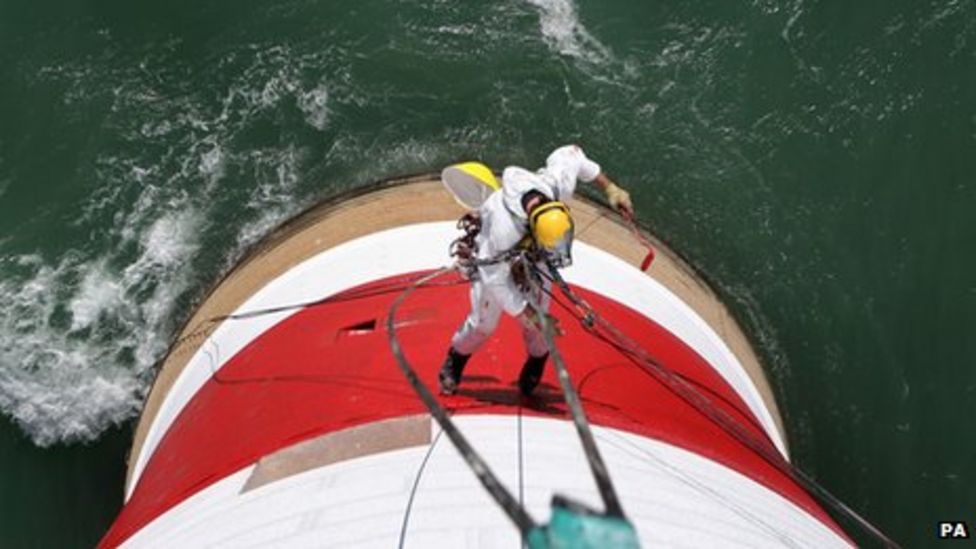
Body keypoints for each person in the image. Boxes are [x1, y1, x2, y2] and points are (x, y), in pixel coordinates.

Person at [439, 145, 633, 396]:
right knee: (483, 326)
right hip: (496, 264)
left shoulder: (554, 188)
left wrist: (610, 188)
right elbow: (495, 278)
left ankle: (536, 361)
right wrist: (527, 311)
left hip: (534, 257)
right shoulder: (502, 229)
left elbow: (572, 154)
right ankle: (456, 358)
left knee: (541, 328)